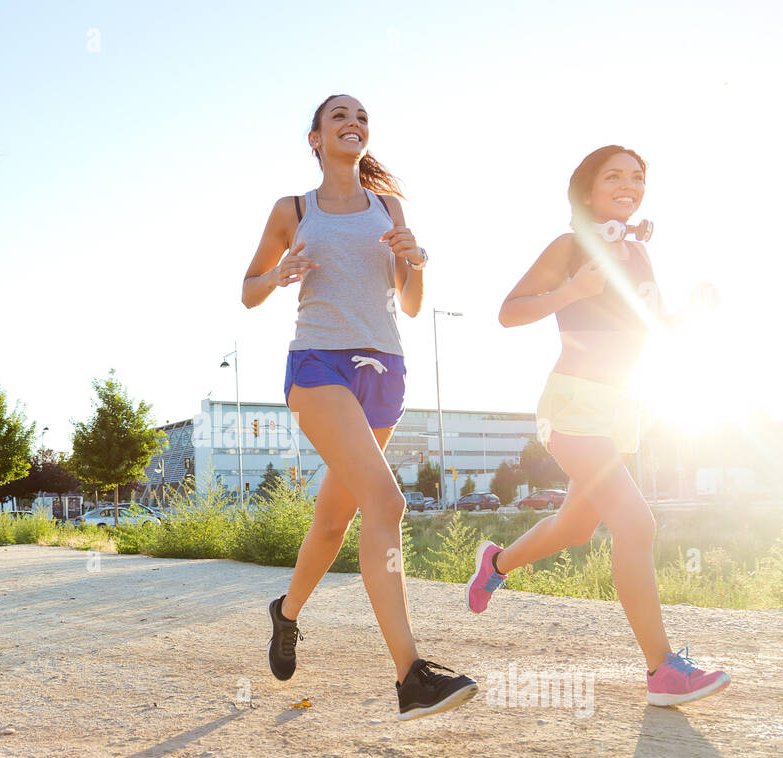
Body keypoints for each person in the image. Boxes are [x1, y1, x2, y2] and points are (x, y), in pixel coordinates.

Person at [242, 93, 478, 721]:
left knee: (332, 521)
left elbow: (410, 303)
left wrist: (416, 260)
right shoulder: (292, 209)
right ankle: (411, 675)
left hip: (385, 370)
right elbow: (248, 290)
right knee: (389, 501)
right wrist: (280, 273)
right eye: (339, 117)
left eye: (362, 118)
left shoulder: (389, 207)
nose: (353, 123)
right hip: (319, 365)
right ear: (315, 138)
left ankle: (285, 614)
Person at [469, 145, 729, 706]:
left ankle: (496, 562)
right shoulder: (570, 246)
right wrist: (572, 291)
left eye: (638, 177)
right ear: (587, 190)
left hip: (621, 408)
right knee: (636, 524)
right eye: (615, 175)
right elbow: (510, 311)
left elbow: (655, 328)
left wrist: (690, 312)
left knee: (576, 527)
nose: (629, 184)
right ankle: (663, 671)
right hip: (573, 405)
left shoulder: (637, 253)